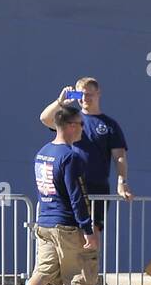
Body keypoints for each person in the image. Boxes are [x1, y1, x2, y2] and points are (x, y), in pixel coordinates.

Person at [8, 104, 112, 285]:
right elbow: (77, 196)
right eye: (81, 124)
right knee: (85, 272)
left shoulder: (43, 152)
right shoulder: (70, 157)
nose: (83, 129)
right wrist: (88, 229)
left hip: (45, 221)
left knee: (43, 270)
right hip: (66, 224)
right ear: (70, 126)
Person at [39, 78, 133, 235]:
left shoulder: (109, 125)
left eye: (89, 94)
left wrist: (122, 181)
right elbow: (45, 119)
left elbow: (120, 156)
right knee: (68, 231)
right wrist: (60, 102)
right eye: (81, 94)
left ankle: (91, 260)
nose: (85, 99)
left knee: (92, 234)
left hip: (97, 188)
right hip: (69, 184)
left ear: (98, 93)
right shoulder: (70, 119)